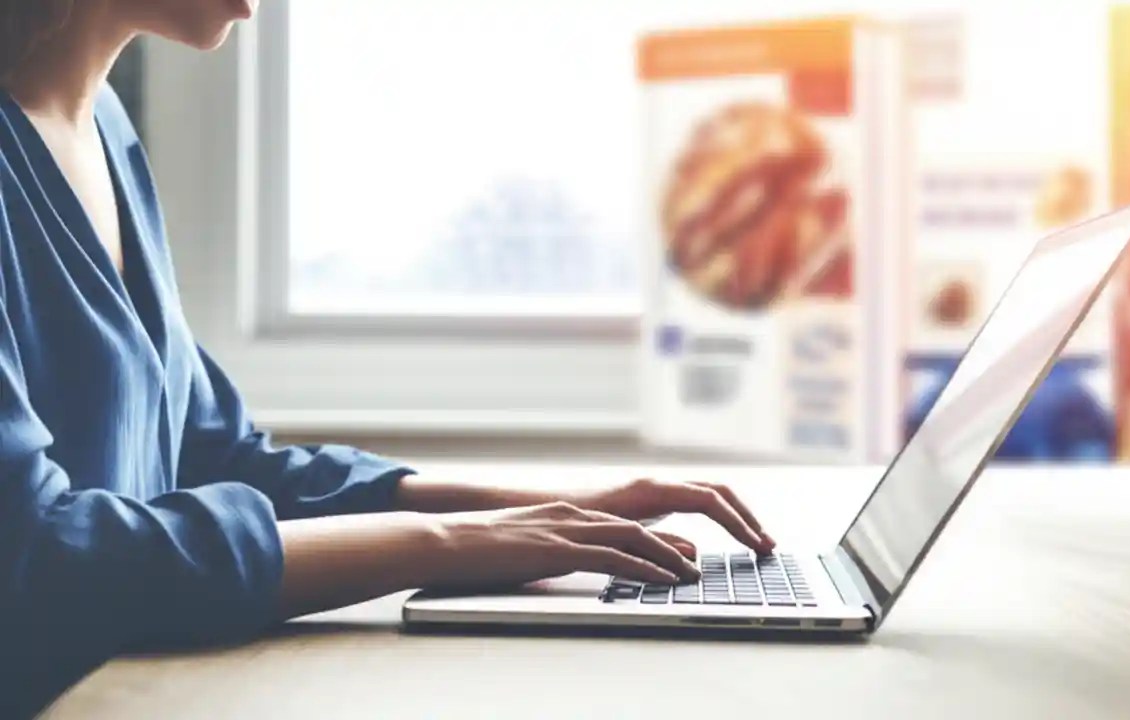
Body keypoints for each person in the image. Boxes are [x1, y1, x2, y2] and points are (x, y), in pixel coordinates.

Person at [0, 1, 775, 714]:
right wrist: (442, 546)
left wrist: (539, 509)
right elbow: (39, 559)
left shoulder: (102, 125)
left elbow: (212, 456)